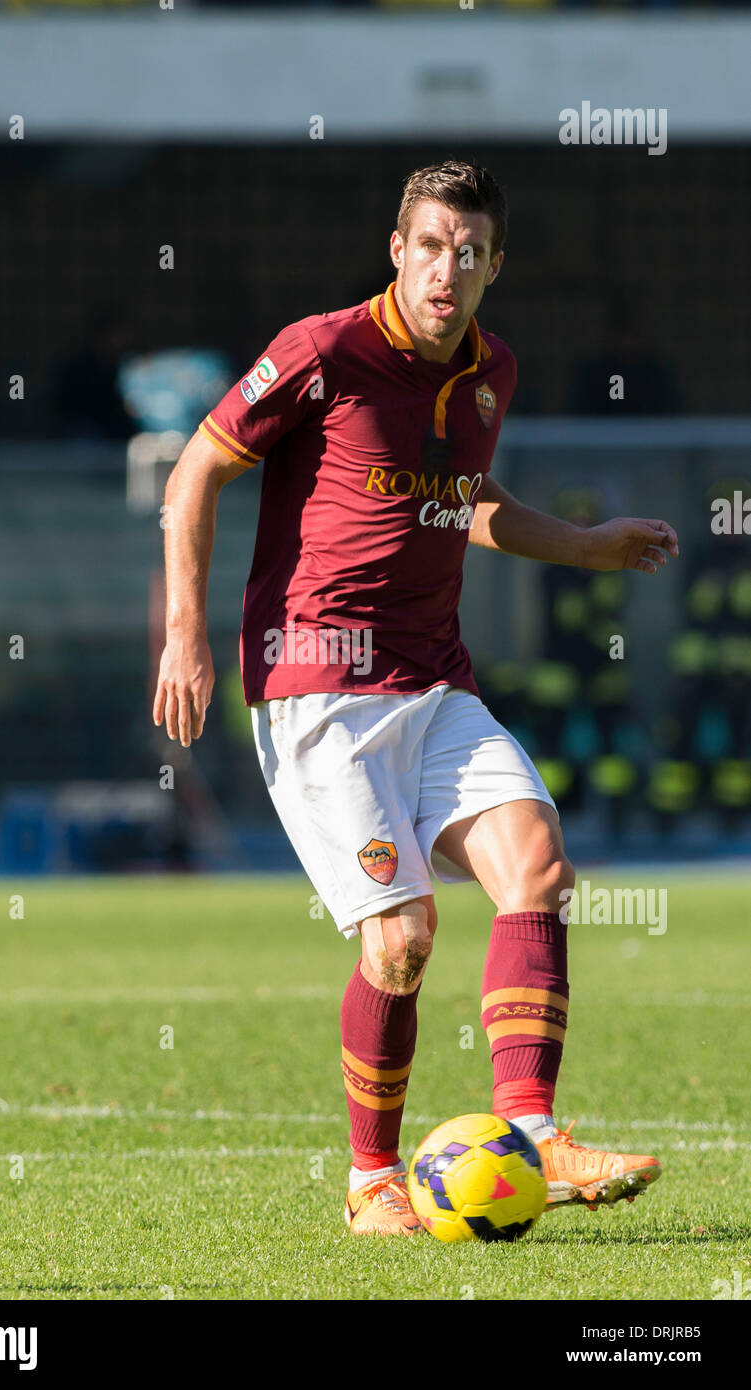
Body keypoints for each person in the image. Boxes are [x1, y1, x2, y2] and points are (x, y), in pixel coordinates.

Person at [153, 160, 678, 1235]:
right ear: (397, 250)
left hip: (432, 681)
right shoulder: (322, 350)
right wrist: (183, 639)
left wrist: (582, 545)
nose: (449, 268)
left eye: (470, 250)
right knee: (401, 937)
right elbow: (195, 473)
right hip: (315, 686)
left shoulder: (492, 373)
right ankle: (369, 1183)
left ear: (495, 265)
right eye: (431, 245)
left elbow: (466, 501)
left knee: (536, 860)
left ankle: (533, 1131)